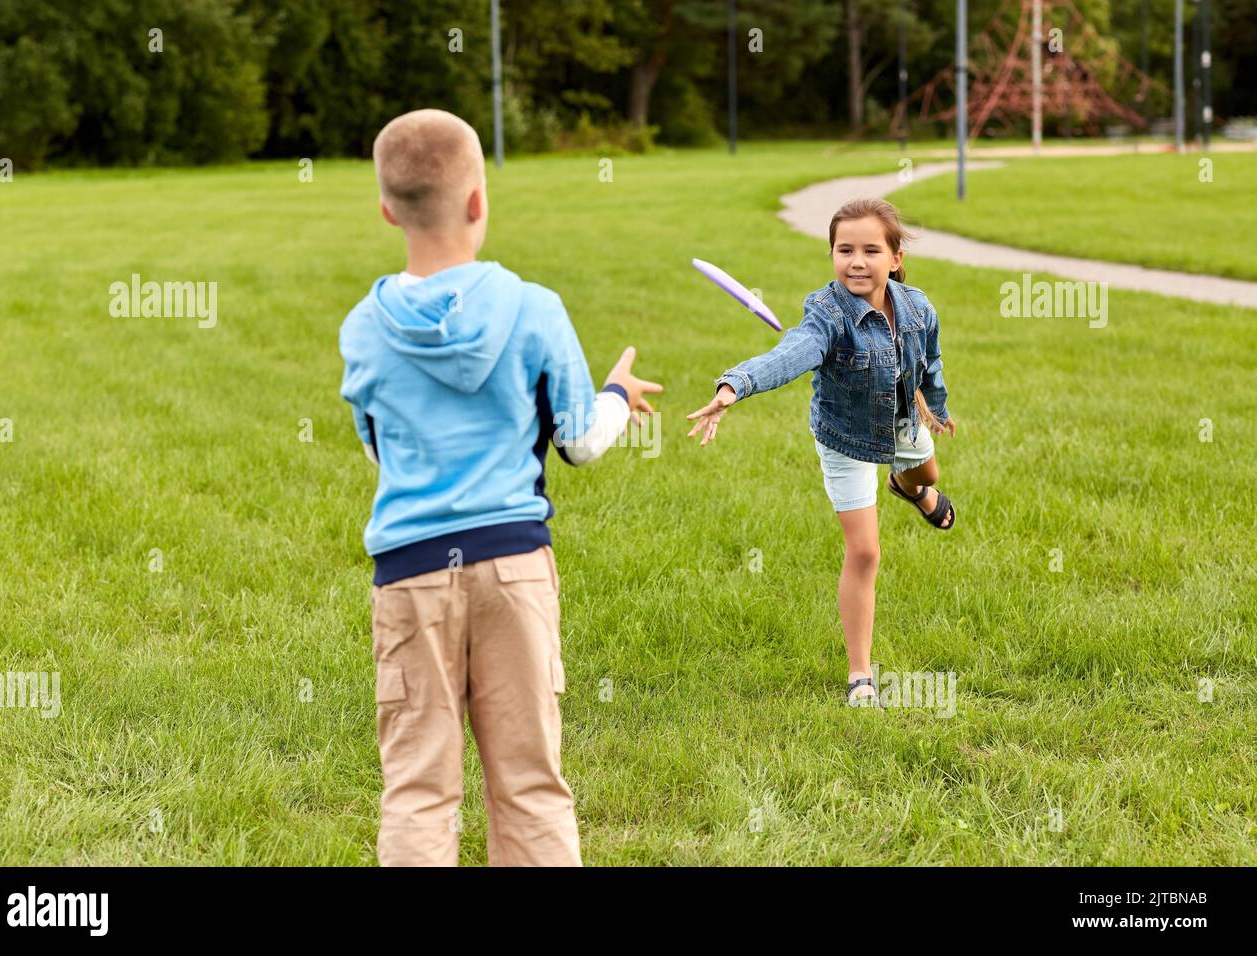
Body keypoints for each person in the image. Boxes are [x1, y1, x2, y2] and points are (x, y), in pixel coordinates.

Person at [339, 109, 661, 864]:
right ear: (479, 201)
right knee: (529, 782)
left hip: (410, 574)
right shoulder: (534, 308)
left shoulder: (361, 327)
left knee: (417, 788)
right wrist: (615, 396)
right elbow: (580, 443)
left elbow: (377, 447)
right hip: (514, 567)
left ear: (388, 209)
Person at [685, 198, 956, 707]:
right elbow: (794, 352)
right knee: (865, 551)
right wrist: (734, 387)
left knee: (927, 474)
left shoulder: (918, 307)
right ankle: (860, 675)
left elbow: (930, 363)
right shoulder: (827, 313)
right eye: (844, 249)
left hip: (902, 423)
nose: (856, 261)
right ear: (832, 253)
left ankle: (907, 487)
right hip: (846, 438)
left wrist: (935, 409)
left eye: (871, 250)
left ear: (895, 257)